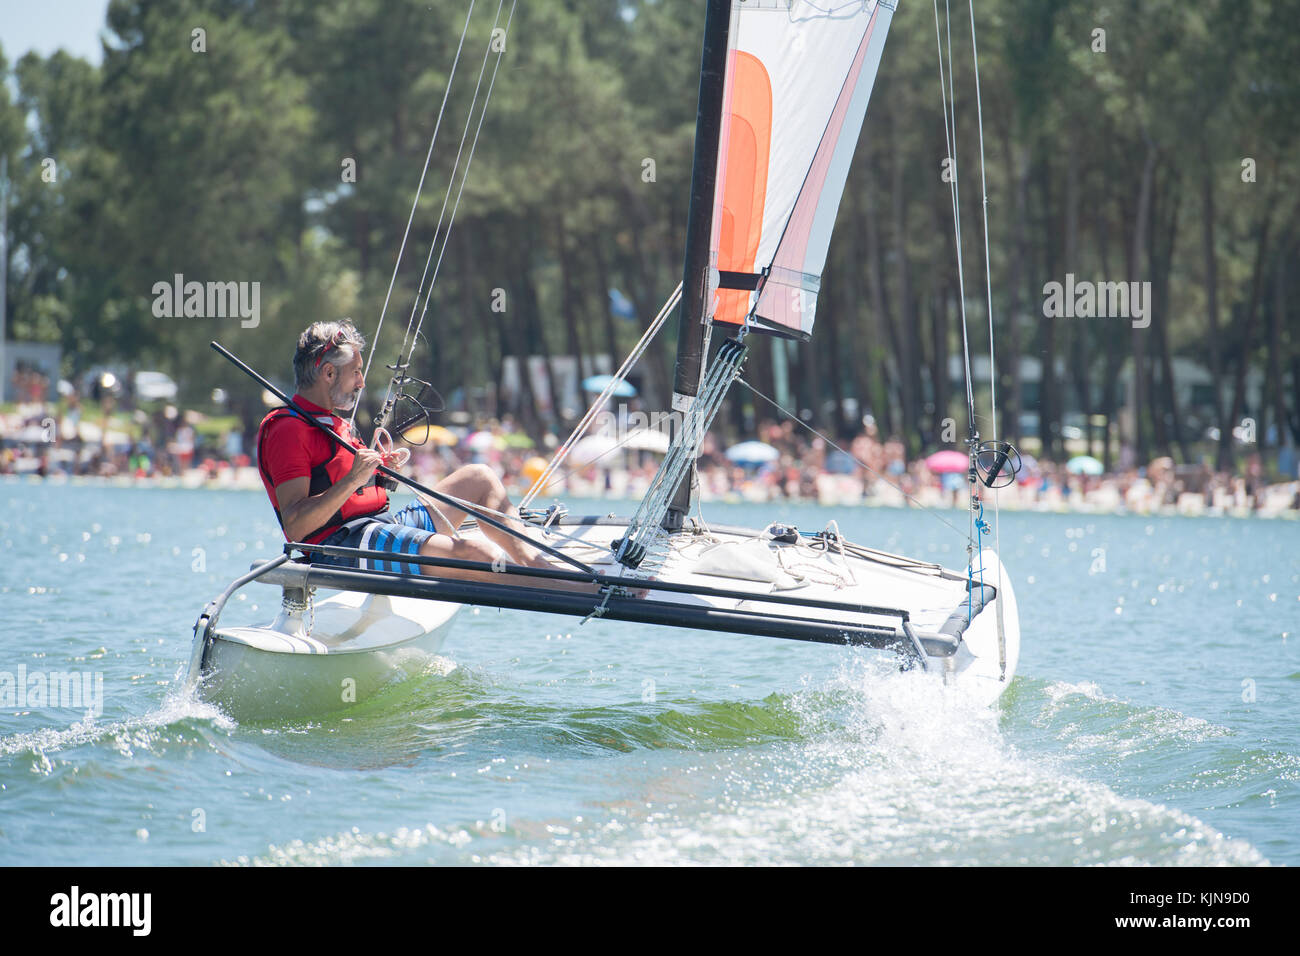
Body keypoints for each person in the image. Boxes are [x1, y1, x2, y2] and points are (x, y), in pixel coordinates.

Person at [256, 320, 606, 593]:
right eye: (356, 372)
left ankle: (536, 564)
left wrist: (379, 476)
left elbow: (344, 486)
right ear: (328, 373)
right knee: (477, 556)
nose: (361, 382)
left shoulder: (330, 419)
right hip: (341, 546)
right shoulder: (289, 430)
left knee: (479, 477)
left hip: (380, 526)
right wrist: (353, 480)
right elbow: (297, 527)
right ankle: (577, 590)